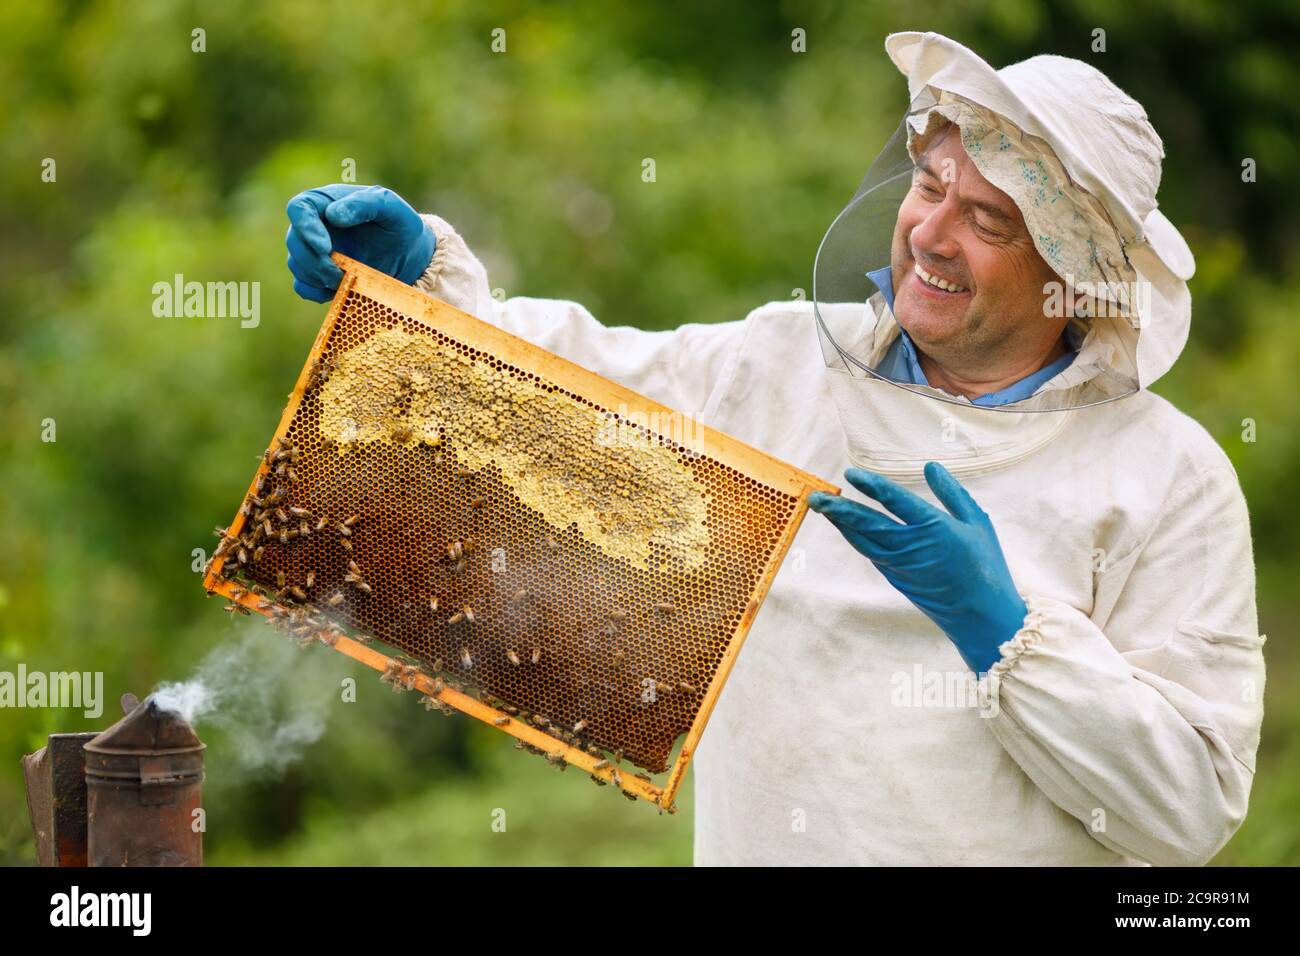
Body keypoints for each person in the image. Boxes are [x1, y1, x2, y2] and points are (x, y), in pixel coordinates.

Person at [284, 32, 1266, 866]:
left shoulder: (1167, 480)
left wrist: (1002, 627)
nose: (930, 234)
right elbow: (565, 393)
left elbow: (1187, 809)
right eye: (928, 186)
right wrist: (418, 279)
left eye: (987, 219)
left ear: (1072, 272)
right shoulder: (785, 363)